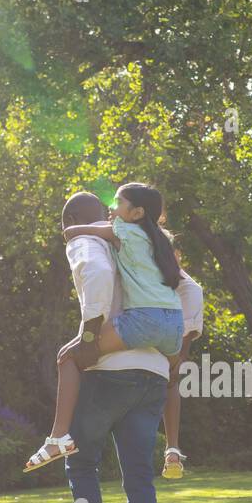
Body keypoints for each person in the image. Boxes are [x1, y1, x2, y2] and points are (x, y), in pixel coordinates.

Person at [56, 191, 203, 503]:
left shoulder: (88, 240)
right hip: (153, 373)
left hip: (110, 372)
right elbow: (193, 290)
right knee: (139, 480)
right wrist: (182, 345)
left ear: (69, 220)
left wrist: (88, 335)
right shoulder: (151, 246)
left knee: (81, 466)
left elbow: (100, 280)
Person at [24, 182, 186, 474]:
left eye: (118, 204)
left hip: (144, 320)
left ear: (136, 213)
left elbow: (82, 231)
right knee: (172, 377)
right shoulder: (160, 239)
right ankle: (172, 446)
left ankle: (58, 436)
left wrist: (72, 231)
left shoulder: (123, 230)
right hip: (174, 323)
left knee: (67, 356)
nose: (112, 210)